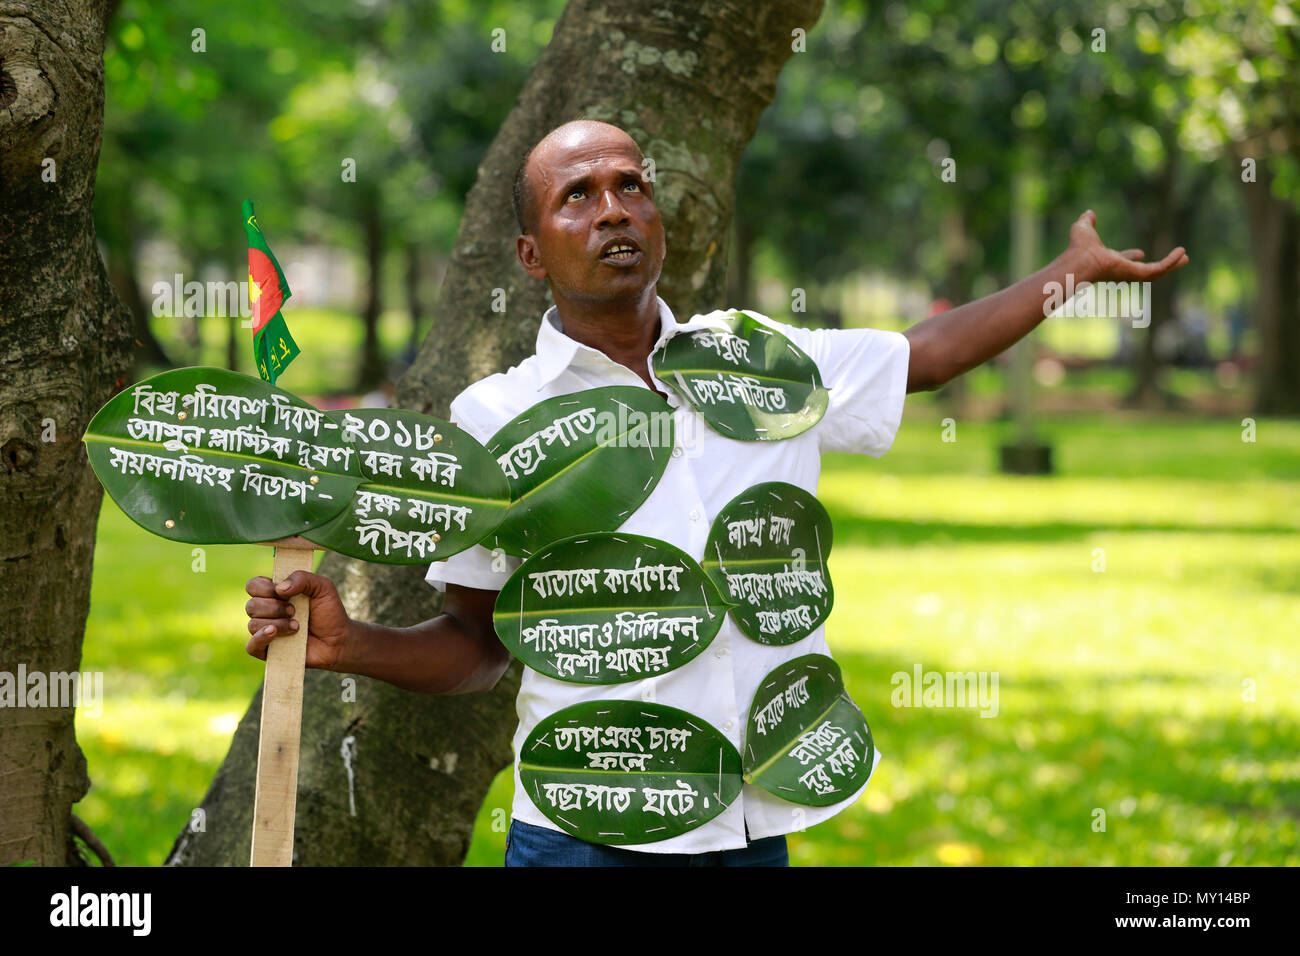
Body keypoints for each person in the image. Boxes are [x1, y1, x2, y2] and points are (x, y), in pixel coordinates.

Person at [243, 119, 1188, 866]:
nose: (614, 208)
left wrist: (1070, 275)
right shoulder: (498, 417)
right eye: (579, 197)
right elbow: (479, 646)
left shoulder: (755, 360)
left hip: (747, 824)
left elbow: (924, 357)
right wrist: (348, 645)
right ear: (532, 257)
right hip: (583, 836)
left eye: (631, 186)